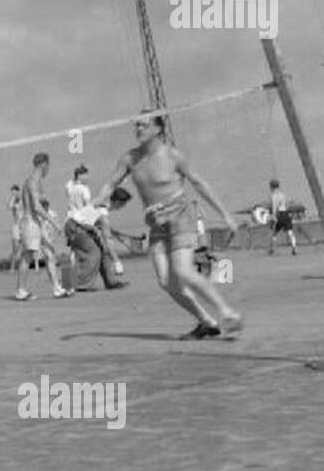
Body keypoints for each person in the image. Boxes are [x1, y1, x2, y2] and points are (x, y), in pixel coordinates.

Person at [96, 111, 243, 338]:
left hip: (180, 219)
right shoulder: (129, 158)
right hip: (156, 226)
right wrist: (100, 197)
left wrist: (225, 215)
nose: (139, 130)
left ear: (157, 129)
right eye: (136, 126)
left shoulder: (173, 156)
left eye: (144, 125)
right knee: (166, 282)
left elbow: (199, 183)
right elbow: (110, 183)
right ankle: (206, 322)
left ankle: (227, 312)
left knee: (183, 271)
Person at [16, 153, 70, 301]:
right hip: (30, 223)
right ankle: (21, 291)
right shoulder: (32, 181)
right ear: (44, 164)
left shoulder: (37, 182)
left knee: (50, 253)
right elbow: (36, 207)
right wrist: (54, 223)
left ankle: (57, 288)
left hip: (37, 223)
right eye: (49, 166)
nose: (49, 169)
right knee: (28, 256)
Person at [268, 179, 298, 256]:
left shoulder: (274, 196)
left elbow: (274, 207)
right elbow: (287, 205)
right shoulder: (283, 194)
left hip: (279, 214)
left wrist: (274, 216)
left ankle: (272, 249)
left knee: (274, 233)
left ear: (271, 187)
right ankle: (294, 246)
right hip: (285, 213)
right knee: (290, 231)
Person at [7, 184, 23, 265]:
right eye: (12, 192)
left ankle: (35, 267)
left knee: (26, 247)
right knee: (15, 247)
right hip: (16, 226)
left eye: (15, 192)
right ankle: (12, 267)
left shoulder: (23, 200)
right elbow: (9, 207)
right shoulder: (13, 202)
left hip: (24, 226)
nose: (14, 194)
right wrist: (13, 197)